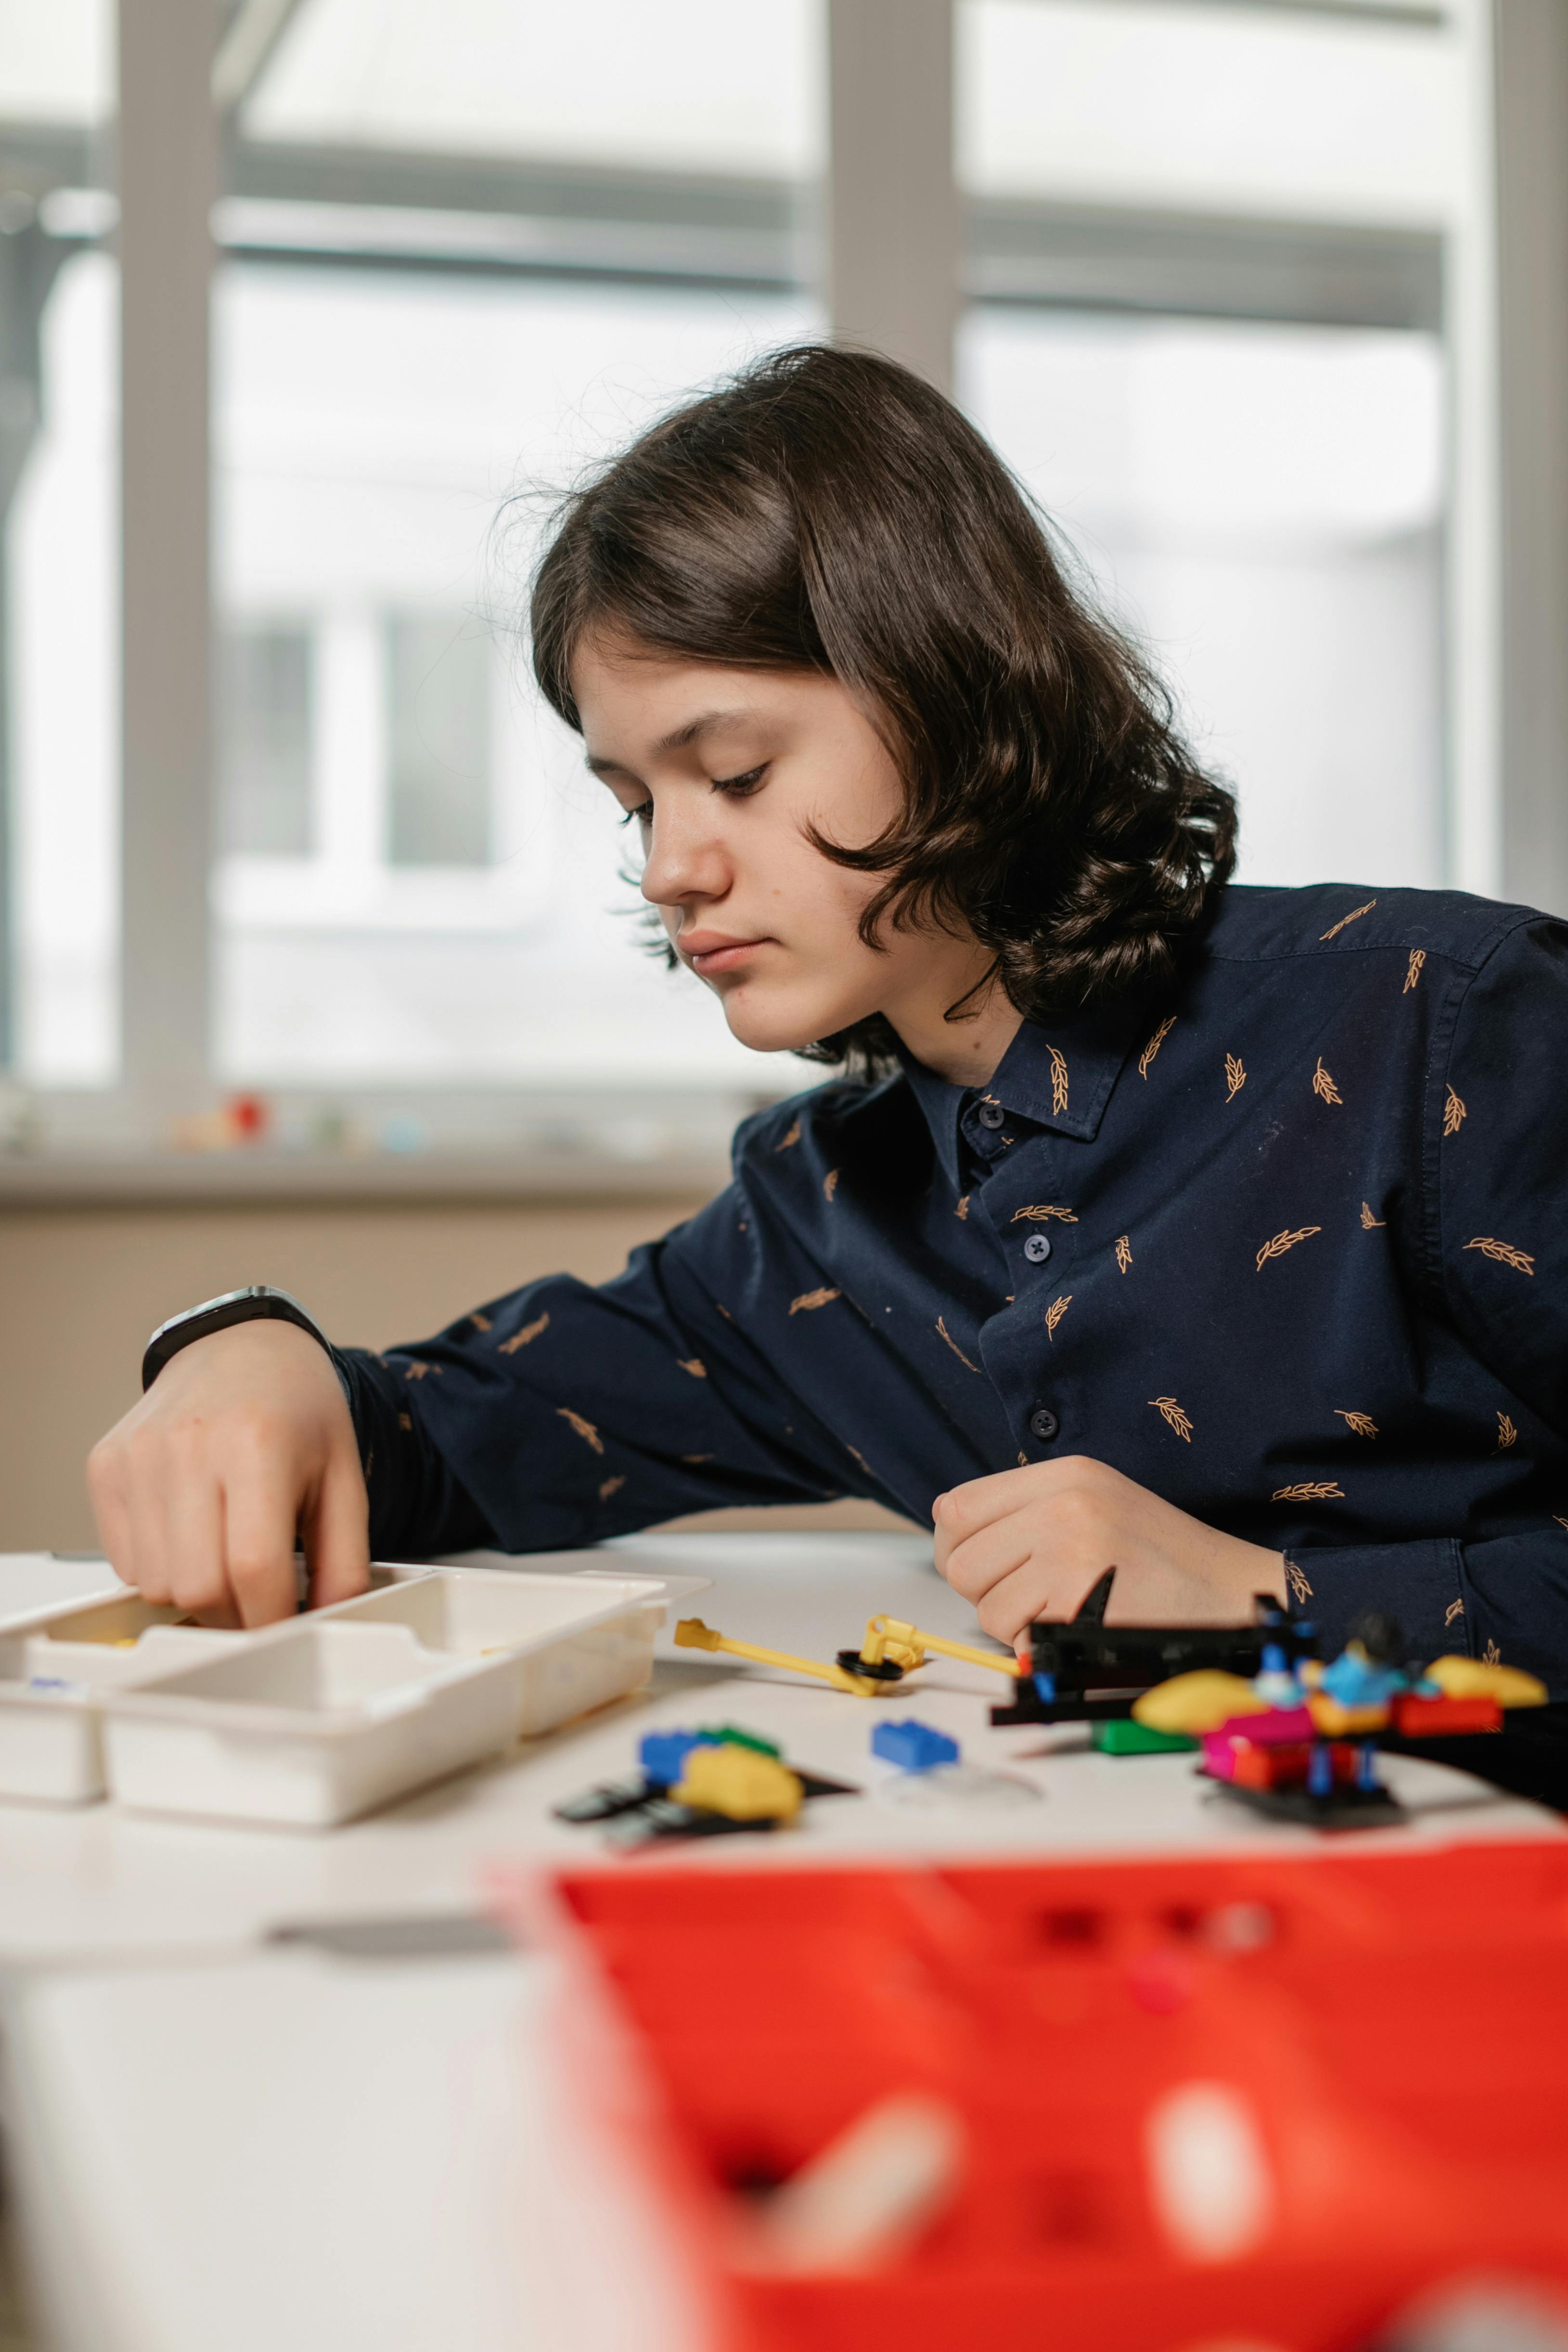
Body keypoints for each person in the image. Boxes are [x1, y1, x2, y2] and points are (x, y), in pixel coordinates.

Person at [88, 346, 1568, 1685]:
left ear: (955, 697)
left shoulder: (1446, 1022)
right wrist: (239, 1343)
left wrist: (1271, 1598)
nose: (670, 868)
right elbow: (445, 1436)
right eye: (636, 802)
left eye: (733, 773)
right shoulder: (810, 1227)